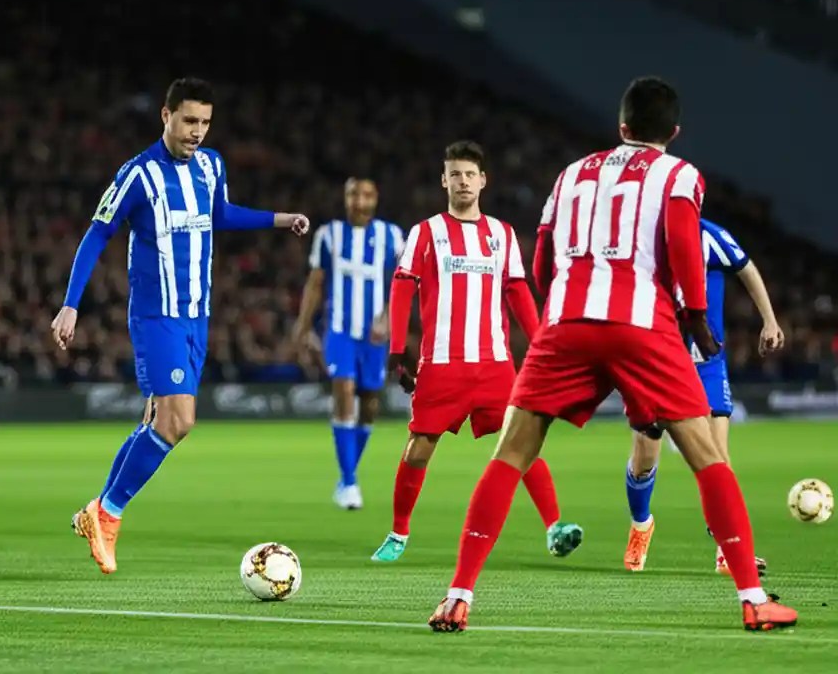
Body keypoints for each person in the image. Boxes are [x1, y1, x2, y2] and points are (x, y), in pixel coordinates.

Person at [426, 78, 797, 633]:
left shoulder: (571, 173)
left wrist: (559, 312)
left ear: (621, 127)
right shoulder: (680, 174)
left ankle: (458, 596)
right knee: (706, 456)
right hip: (643, 326)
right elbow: (679, 235)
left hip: (566, 323)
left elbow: (544, 252)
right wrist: (695, 313)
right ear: (673, 131)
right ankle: (752, 598)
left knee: (511, 454)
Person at [51, 77, 310, 575]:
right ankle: (107, 513)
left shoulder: (212, 166)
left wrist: (281, 219)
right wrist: (70, 305)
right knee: (178, 421)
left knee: (156, 423)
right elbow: (96, 234)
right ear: (165, 117)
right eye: (189, 121)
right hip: (156, 316)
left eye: (206, 123)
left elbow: (221, 216)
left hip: (197, 315)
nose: (198, 132)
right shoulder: (137, 175)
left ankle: (98, 509)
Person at [373, 141, 581, 563]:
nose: (463, 181)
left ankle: (555, 527)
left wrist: (541, 340)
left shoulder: (501, 235)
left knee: (521, 443)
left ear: (483, 180)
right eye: (455, 174)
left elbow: (517, 289)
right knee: (419, 448)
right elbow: (403, 284)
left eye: (470, 174)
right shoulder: (426, 232)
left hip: (494, 365)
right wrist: (398, 348)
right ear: (443, 180)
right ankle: (398, 533)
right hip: (442, 363)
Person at [623, 219, 783, 573]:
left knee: (718, 459)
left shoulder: (705, 233)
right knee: (644, 458)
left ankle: (728, 550)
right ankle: (641, 524)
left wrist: (769, 320)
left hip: (706, 363)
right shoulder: (635, 229)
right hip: (653, 361)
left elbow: (747, 268)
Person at [291, 178, 402, 510]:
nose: (359, 200)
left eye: (366, 194)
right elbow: (315, 283)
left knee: (369, 404)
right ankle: (350, 482)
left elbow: (405, 281)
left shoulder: (392, 236)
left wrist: (389, 317)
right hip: (339, 331)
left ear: (375, 198)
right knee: (343, 391)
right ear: (345, 198)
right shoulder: (329, 236)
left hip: (375, 335)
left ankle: (346, 475)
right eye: (353, 194)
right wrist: (302, 326)